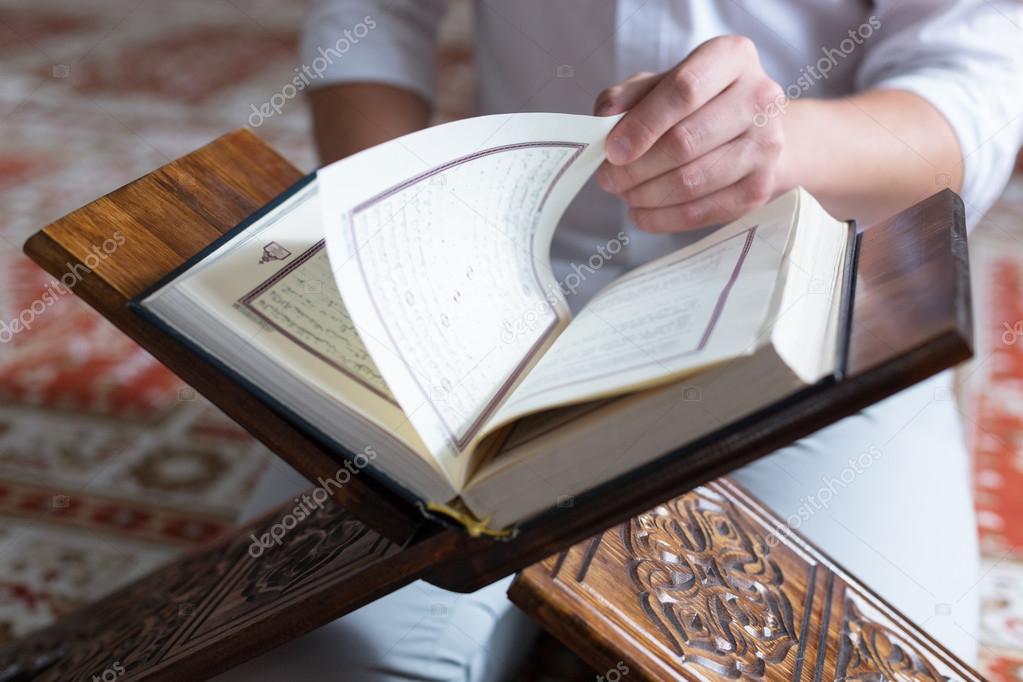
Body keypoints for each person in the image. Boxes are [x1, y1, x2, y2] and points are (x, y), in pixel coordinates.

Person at [217, 1, 1023, 679]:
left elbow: (972, 88)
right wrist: (393, 237)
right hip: (509, 280)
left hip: (816, 300)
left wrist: (772, 142)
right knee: (328, 657)